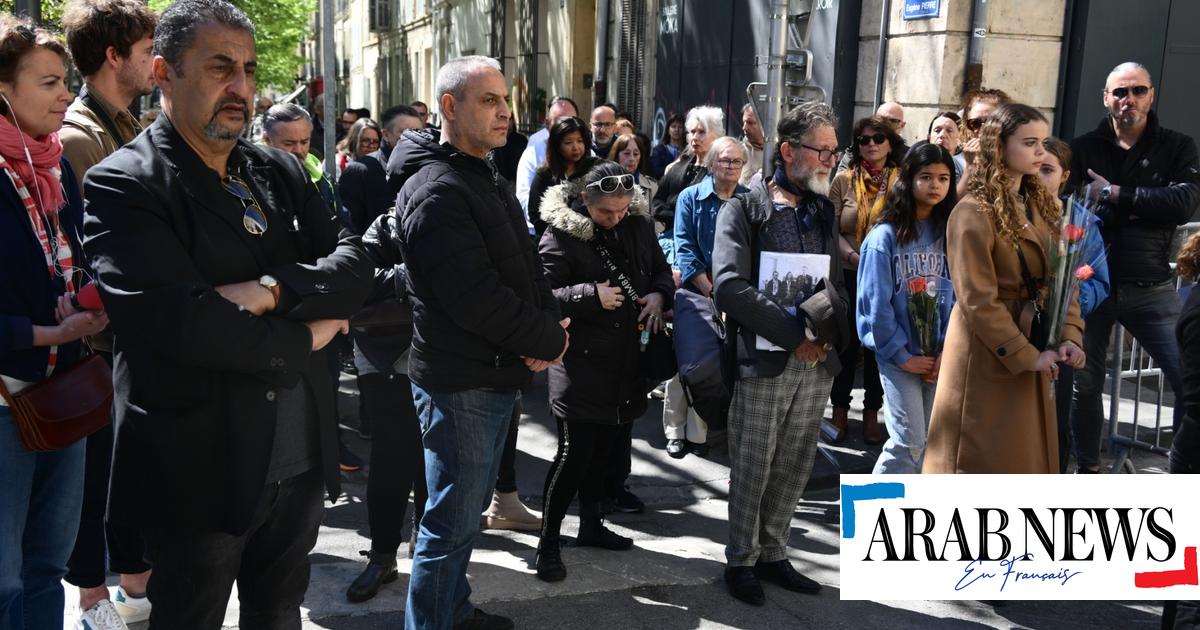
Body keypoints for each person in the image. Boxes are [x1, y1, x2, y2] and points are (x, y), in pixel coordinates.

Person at [80, 1, 373, 627]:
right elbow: (182, 327)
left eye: (247, 68)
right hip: (198, 470)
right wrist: (310, 333)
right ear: (163, 71)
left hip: (298, 461)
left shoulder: (280, 168)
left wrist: (270, 290)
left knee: (277, 615)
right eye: (220, 68)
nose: (240, 87)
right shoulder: (124, 184)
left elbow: (355, 267)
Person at [385, 55, 568, 630]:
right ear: (449, 106)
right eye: (488, 100)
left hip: (490, 371)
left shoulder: (479, 172)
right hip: (461, 381)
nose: (504, 112)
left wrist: (551, 321)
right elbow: (475, 296)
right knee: (451, 523)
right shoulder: (437, 189)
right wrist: (547, 339)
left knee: (461, 518)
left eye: (505, 100)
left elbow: (525, 259)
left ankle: (453, 611)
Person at [712, 101, 848, 605]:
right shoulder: (744, 207)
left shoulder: (822, 207)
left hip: (816, 360)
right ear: (788, 150)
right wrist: (796, 334)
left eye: (835, 151)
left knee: (794, 462)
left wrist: (829, 330)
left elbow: (830, 281)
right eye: (822, 151)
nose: (830, 160)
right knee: (754, 462)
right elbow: (728, 287)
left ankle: (774, 552)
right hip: (766, 358)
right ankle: (741, 560)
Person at [0, 16, 106, 630]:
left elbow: (74, 257)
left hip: (64, 390)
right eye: (49, 82)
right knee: (4, 577)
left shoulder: (56, 164)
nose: (66, 94)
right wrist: (41, 334)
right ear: (3, 91)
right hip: (8, 399)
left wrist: (89, 299)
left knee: (47, 564)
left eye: (65, 81)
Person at [59, 0, 157, 626]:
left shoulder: (123, 124)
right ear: (114, 56)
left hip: (129, 340)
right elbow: (112, 247)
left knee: (131, 488)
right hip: (101, 348)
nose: (157, 62)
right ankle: (96, 606)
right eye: (147, 50)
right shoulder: (80, 137)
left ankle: (133, 599)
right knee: (100, 490)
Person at [923, 103, 1085, 474]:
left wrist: (1069, 336)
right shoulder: (971, 212)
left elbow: (1064, 279)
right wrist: (1025, 354)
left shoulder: (1044, 208)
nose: (1040, 152)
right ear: (999, 145)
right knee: (980, 466)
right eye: (1030, 143)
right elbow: (977, 299)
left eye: (1043, 143)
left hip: (1033, 347)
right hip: (987, 357)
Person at [533, 161, 674, 581]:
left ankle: (592, 526)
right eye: (605, 213)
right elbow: (543, 294)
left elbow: (662, 271)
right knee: (573, 457)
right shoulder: (560, 234)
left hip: (628, 361)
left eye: (622, 210)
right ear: (584, 200)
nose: (614, 219)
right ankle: (548, 541)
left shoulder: (637, 225)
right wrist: (589, 295)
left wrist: (657, 295)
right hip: (580, 364)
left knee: (606, 454)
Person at [1067, 62, 1199, 474]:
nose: (1129, 100)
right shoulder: (1083, 146)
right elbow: (1071, 207)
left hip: (1151, 285)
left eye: (1137, 91)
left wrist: (1112, 193)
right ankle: (1088, 468)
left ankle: (1184, 473)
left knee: (1187, 380)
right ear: (1106, 98)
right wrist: (1147, 203)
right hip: (1092, 286)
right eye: (1120, 92)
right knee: (1083, 385)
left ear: (1152, 94)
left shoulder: (1177, 146)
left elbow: (1182, 205)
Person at [857, 141, 958, 474]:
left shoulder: (951, 233)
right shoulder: (884, 237)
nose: (935, 186)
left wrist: (946, 352)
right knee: (908, 441)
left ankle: (902, 516)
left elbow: (959, 295)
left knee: (927, 443)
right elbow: (875, 304)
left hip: (938, 357)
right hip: (900, 356)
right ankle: (867, 517)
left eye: (943, 178)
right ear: (909, 179)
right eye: (927, 177)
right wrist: (901, 355)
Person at [666, 136, 749, 458]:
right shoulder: (690, 197)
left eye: (737, 162)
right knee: (686, 363)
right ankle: (675, 429)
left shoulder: (749, 199)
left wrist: (730, 292)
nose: (730, 166)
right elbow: (683, 246)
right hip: (695, 290)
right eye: (725, 160)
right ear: (712, 163)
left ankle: (702, 433)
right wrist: (709, 288)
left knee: (720, 366)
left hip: (734, 293)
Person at [826, 116, 905, 444]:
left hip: (887, 276)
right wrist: (854, 257)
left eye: (878, 138)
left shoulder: (903, 182)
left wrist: (876, 260)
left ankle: (872, 412)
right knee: (845, 345)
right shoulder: (843, 180)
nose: (871, 144)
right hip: (848, 273)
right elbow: (830, 228)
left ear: (890, 143)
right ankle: (840, 411)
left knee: (878, 346)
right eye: (863, 140)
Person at [1037, 137, 1110, 473]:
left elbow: (1095, 279)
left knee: (1054, 423)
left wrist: (1069, 296)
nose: (1038, 175)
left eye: (1047, 170)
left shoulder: (1080, 224)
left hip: (1058, 333)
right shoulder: (1007, 214)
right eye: (1034, 167)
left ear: (1064, 176)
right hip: (1014, 333)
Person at [653, 105, 723, 267]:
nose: (695, 137)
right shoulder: (677, 167)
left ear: (716, 135)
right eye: (692, 132)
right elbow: (656, 204)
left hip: (703, 251)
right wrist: (679, 215)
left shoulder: (721, 172)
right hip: (670, 244)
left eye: (701, 132)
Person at [341, 104, 422, 236]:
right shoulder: (361, 170)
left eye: (419, 132)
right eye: (405, 132)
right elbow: (349, 228)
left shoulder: (427, 169)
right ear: (386, 135)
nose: (415, 138)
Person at [527, 116, 598, 237]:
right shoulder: (544, 174)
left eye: (580, 141)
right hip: (554, 241)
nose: (575, 147)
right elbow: (535, 214)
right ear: (557, 146)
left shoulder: (594, 169)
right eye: (568, 142)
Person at [262, 103, 338, 216]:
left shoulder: (324, 180)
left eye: (304, 142)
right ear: (267, 140)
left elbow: (340, 227)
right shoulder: (252, 180)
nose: (298, 150)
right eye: (289, 143)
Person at [515, 95, 579, 213]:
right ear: (547, 124)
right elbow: (524, 199)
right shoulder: (532, 153)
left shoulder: (589, 153)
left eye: (571, 120)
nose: (566, 127)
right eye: (559, 121)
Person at [956, 88, 1011, 198]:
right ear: (967, 128)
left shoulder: (1014, 160)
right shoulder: (956, 163)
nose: (983, 129)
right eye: (975, 123)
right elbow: (953, 207)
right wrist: (970, 167)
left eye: (991, 122)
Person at [837, 102, 907, 173]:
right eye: (882, 120)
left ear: (902, 125)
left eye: (893, 121)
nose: (886, 125)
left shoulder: (909, 156)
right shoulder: (854, 153)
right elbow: (840, 181)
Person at [609, 132, 657, 201]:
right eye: (626, 153)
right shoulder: (604, 184)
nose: (632, 158)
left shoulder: (652, 186)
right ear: (616, 155)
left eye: (636, 154)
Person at [492, 115, 528, 185]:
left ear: (512, 121)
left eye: (509, 120)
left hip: (518, 181)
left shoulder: (521, 140)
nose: (506, 123)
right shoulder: (494, 140)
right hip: (499, 181)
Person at [650, 112, 685, 179]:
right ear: (668, 130)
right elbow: (656, 171)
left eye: (680, 127)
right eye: (673, 126)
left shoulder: (688, 151)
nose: (676, 130)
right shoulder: (659, 150)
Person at [927, 111, 962, 178]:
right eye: (937, 131)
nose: (942, 135)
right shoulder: (918, 164)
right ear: (929, 137)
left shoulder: (966, 165)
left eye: (949, 131)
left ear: (960, 137)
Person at [740, 103, 765, 185]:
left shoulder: (780, 153)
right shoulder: (738, 151)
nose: (744, 128)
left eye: (750, 123)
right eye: (744, 122)